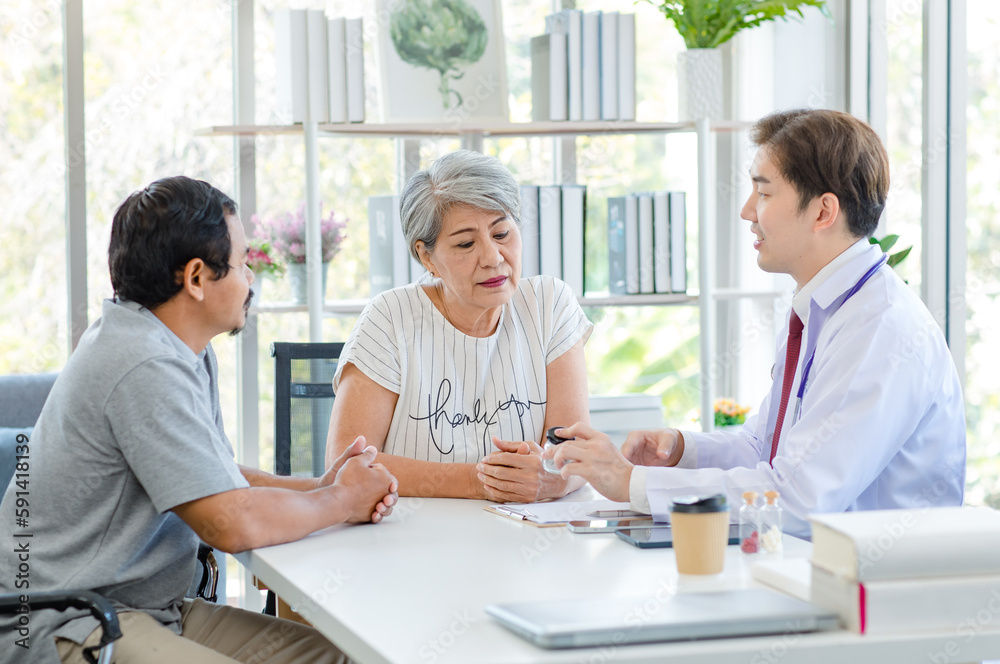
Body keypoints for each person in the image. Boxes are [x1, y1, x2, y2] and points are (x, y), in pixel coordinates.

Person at [0, 176, 398, 664]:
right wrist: (342, 500)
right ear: (195, 278)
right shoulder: (141, 363)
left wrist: (319, 487)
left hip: (147, 609)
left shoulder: (180, 348)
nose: (250, 279)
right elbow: (229, 524)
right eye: (242, 263)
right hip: (66, 618)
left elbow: (220, 480)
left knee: (345, 657)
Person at [544, 109, 966, 537]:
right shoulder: (826, 307)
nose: (747, 211)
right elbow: (764, 448)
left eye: (763, 193)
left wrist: (631, 482)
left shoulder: (879, 329)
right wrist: (680, 450)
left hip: (874, 593)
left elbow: (800, 500)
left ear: (823, 212)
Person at [325, 150, 593, 502]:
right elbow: (346, 465)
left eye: (501, 233)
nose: (493, 258)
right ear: (426, 257)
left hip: (525, 539)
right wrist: (480, 481)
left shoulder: (550, 304)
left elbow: (573, 449)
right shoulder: (390, 318)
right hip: (408, 544)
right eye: (466, 243)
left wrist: (553, 480)